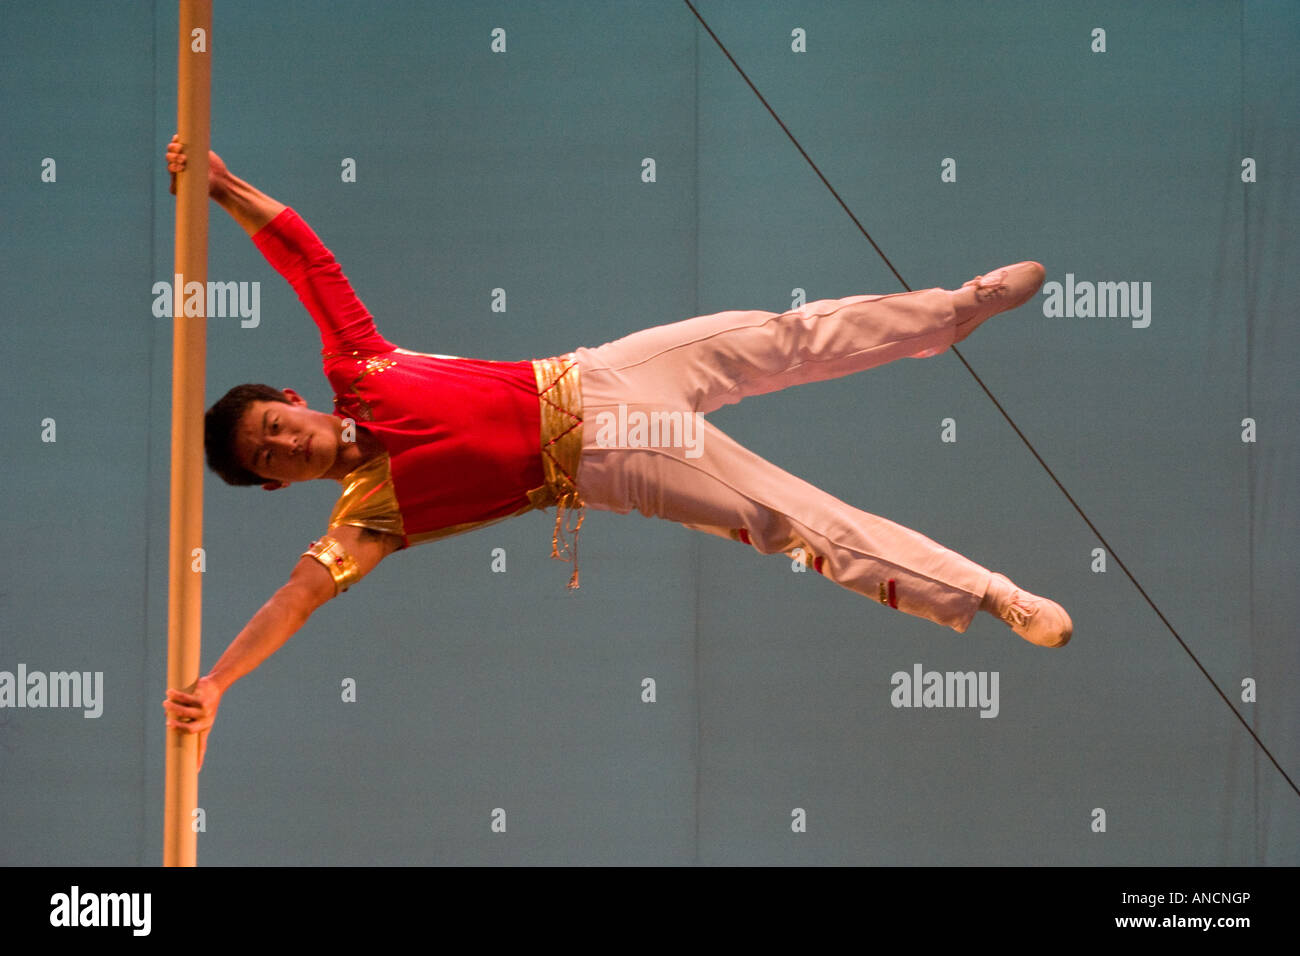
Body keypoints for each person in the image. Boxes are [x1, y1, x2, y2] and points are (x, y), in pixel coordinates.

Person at [162, 138, 1071, 767]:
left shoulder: (357, 367)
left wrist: (222, 185)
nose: (284, 444)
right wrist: (218, 681)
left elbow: (309, 264)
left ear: (292, 399)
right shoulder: (370, 516)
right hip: (609, 454)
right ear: (277, 484)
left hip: (597, 371)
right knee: (789, 517)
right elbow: (297, 598)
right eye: (269, 460)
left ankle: (956, 309)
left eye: (274, 426)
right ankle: (990, 592)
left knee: (786, 333)